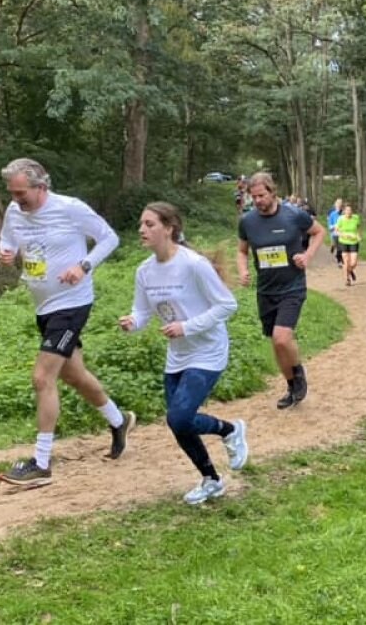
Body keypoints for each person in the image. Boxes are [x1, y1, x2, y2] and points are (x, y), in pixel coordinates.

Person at [0, 158, 132, 486]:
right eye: (12, 194)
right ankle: (119, 420)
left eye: (21, 193)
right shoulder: (14, 212)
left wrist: (83, 266)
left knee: (42, 378)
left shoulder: (70, 208)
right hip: (43, 305)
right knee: (73, 374)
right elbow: (8, 240)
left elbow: (109, 238)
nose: (16, 199)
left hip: (72, 303)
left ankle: (40, 463)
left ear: (41, 186)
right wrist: (6, 253)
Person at [118, 202, 248, 504]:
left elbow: (227, 305)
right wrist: (132, 322)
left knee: (179, 417)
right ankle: (211, 480)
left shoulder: (192, 264)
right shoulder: (144, 271)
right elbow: (143, 311)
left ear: (169, 229)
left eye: (149, 224)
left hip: (208, 350)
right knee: (180, 423)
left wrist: (186, 327)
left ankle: (229, 431)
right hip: (177, 355)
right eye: (141, 224)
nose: (142, 230)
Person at [236, 172, 326, 409]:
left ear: (272, 193)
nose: (257, 201)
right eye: (253, 197)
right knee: (276, 343)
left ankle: (298, 376)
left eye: (261, 195)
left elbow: (319, 232)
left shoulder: (293, 214)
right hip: (266, 290)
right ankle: (291, 387)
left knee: (282, 337)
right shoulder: (247, 221)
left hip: (292, 286)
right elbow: (242, 251)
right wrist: (243, 270)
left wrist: (307, 255)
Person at [336, 203, 362, 286]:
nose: (348, 212)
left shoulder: (356, 218)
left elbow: (358, 228)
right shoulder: (341, 219)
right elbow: (336, 231)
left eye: (350, 210)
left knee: (354, 262)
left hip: (354, 242)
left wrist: (358, 235)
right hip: (343, 241)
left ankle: (350, 270)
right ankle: (347, 279)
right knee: (346, 261)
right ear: (344, 211)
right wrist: (344, 235)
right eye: (347, 210)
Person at [327, 198, 344, 269]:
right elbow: (330, 225)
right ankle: (339, 259)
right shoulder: (332, 214)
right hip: (335, 233)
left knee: (341, 248)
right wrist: (335, 226)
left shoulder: (344, 213)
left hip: (343, 233)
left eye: (340, 204)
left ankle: (340, 259)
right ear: (335, 205)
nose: (339, 205)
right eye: (338, 203)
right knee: (337, 246)